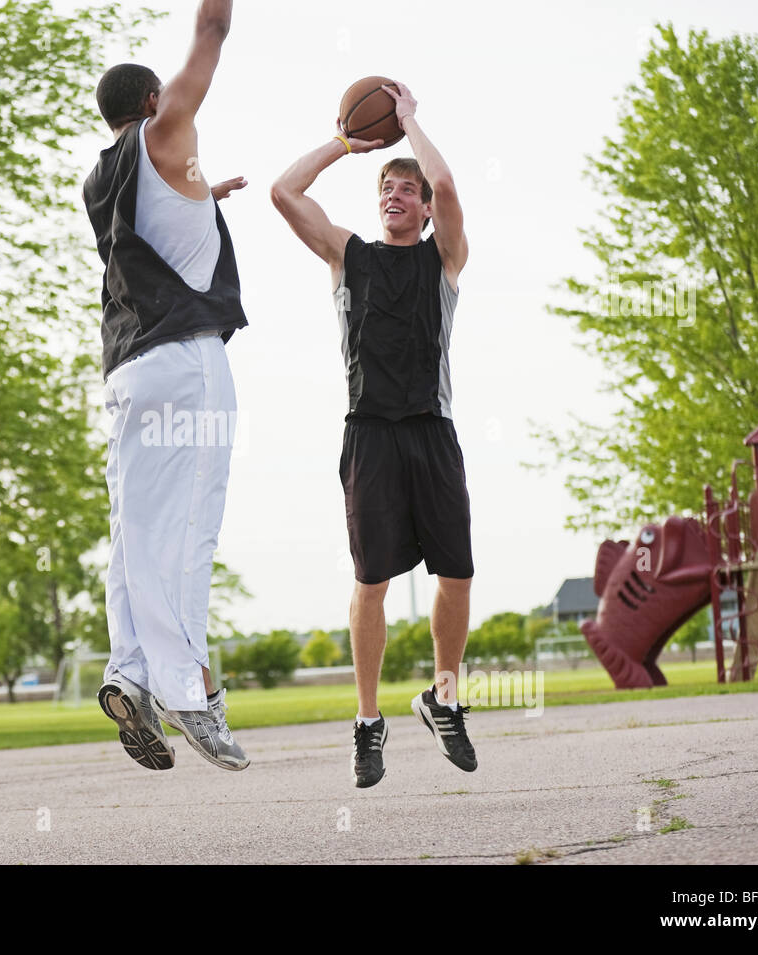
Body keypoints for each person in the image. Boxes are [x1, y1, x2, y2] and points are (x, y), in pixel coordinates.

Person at [270, 82, 477, 788]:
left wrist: (410, 122)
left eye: (404, 189)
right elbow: (283, 192)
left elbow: (445, 179)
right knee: (372, 580)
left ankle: (443, 696)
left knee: (458, 574)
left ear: (421, 208)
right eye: (385, 187)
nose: (393, 194)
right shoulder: (346, 256)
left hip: (431, 429)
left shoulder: (443, 260)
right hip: (370, 436)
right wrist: (347, 143)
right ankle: (368, 723)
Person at [83, 0, 251, 772]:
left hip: (125, 371)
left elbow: (150, 232)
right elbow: (211, 32)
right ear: (151, 103)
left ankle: (129, 675)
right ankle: (190, 691)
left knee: (134, 535)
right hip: (187, 361)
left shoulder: (99, 180)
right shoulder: (165, 133)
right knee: (188, 531)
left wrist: (206, 200)